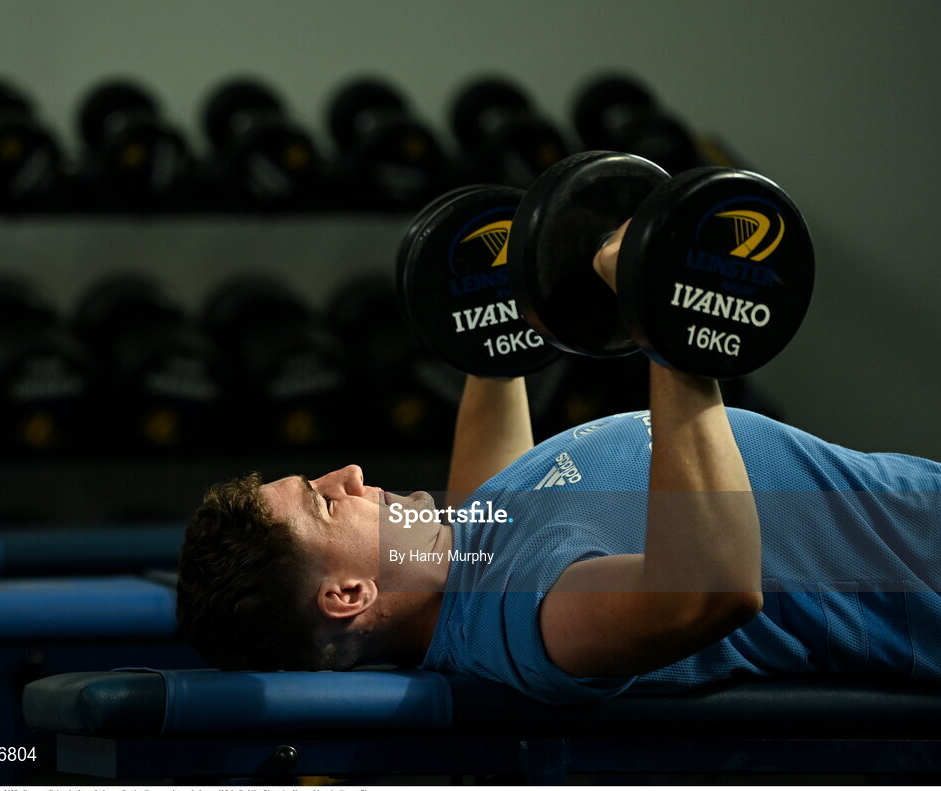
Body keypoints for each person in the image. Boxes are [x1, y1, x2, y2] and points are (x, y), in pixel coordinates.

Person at [177, 224, 941, 704]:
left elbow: (496, 497)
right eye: (322, 502)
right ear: (349, 592)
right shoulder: (525, 618)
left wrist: (497, 336)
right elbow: (705, 593)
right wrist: (664, 329)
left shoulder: (480, 549)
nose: (346, 473)